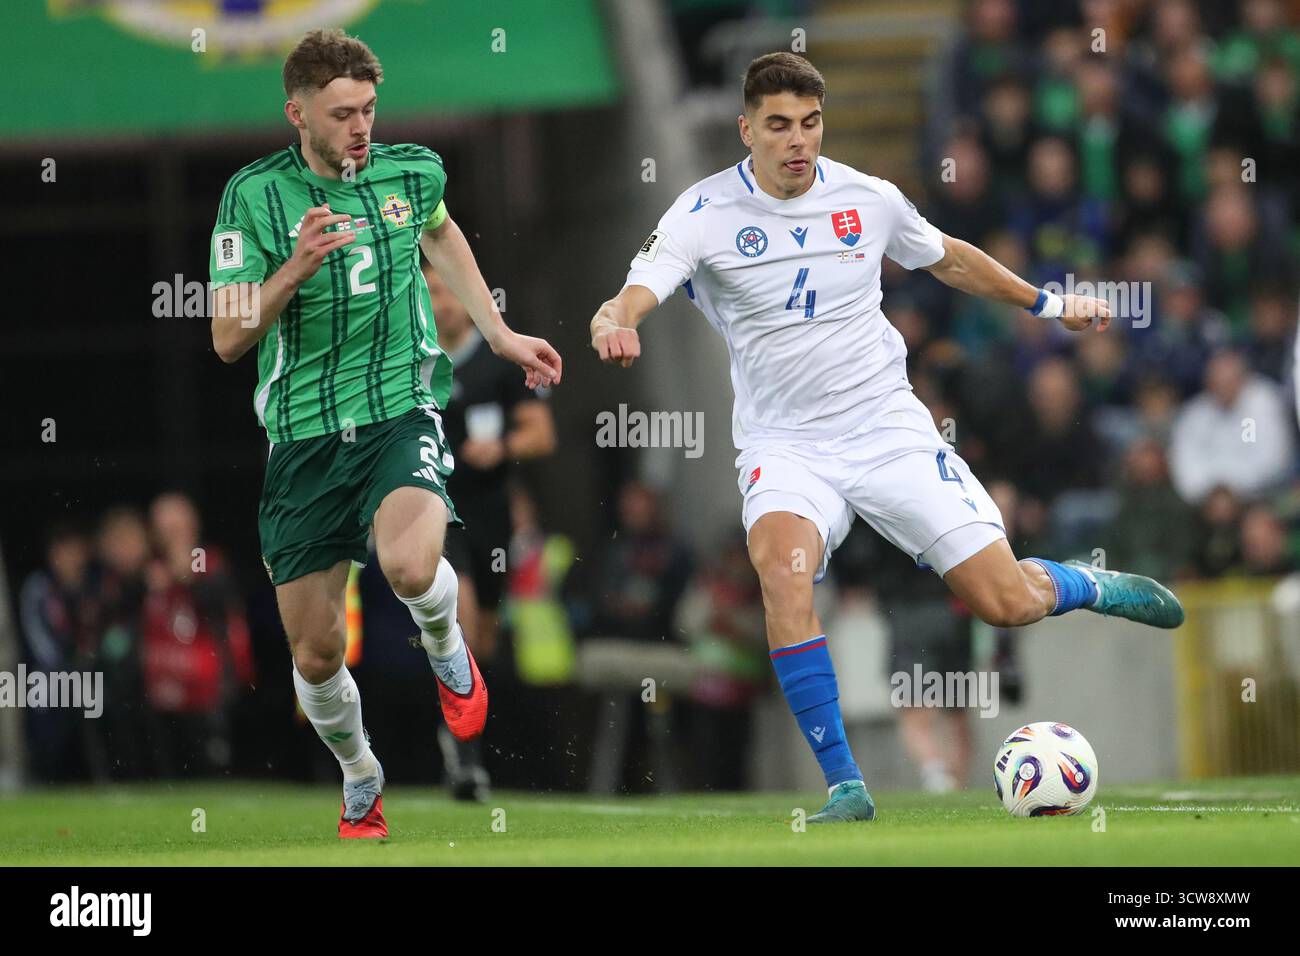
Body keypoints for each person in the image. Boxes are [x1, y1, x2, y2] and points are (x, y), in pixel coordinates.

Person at [589, 52, 1184, 824]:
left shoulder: (866, 199)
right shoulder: (701, 215)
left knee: (1005, 604)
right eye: (778, 126)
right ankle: (845, 784)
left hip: (886, 429)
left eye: (809, 123)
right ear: (746, 131)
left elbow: (950, 260)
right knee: (782, 569)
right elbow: (640, 287)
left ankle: (1087, 584)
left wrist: (1045, 303)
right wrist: (614, 319)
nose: (797, 140)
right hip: (785, 446)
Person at [208, 28, 562, 837]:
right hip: (302, 439)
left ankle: (447, 648)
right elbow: (228, 339)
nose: (360, 126)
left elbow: (441, 234)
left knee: (409, 565)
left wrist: (500, 335)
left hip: (400, 409)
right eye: (341, 114)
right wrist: (291, 269)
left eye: (368, 108)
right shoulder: (253, 198)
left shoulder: (412, 170)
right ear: (296, 113)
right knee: (317, 654)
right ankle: (361, 771)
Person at [424, 263, 557, 800]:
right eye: (430, 292)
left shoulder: (498, 361)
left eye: (449, 292)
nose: (441, 303)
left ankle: (462, 739)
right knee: (460, 613)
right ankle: (467, 761)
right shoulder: (413, 359)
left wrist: (500, 448)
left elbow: (542, 433)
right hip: (436, 507)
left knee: (481, 638)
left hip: (491, 513)